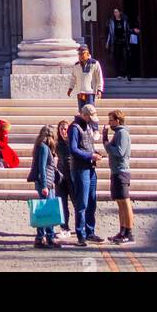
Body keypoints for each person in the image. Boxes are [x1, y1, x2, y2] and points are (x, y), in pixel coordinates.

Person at [67, 102, 104, 246]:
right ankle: (80, 234)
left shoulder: (88, 125)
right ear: (85, 115)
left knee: (92, 201)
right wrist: (90, 155)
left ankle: (90, 231)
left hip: (91, 168)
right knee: (82, 202)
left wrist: (96, 153)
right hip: (80, 168)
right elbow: (74, 149)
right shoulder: (74, 128)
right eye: (91, 117)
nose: (92, 121)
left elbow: (89, 144)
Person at [26, 125, 63, 248]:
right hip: (45, 183)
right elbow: (42, 167)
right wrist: (44, 186)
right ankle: (45, 237)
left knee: (46, 210)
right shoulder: (44, 147)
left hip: (47, 182)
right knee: (46, 211)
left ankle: (44, 237)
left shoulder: (42, 147)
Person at [102, 110, 134, 244]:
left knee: (125, 202)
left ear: (118, 120)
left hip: (122, 171)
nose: (109, 123)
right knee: (120, 202)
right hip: (116, 171)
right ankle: (122, 231)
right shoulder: (118, 133)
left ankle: (129, 233)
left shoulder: (122, 133)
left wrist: (106, 143)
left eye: (111, 120)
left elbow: (119, 152)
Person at [67, 45, 104, 111]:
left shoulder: (95, 63)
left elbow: (99, 77)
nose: (81, 55)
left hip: (90, 92)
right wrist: (70, 88)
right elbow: (73, 78)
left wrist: (99, 89)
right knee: (81, 111)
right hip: (80, 92)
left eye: (82, 53)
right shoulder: (76, 65)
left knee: (90, 110)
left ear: (87, 53)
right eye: (79, 54)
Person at [54, 119, 73, 235]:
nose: (63, 131)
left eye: (65, 129)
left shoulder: (73, 141)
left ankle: (81, 227)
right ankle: (64, 227)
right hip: (61, 176)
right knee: (62, 203)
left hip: (72, 175)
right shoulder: (56, 143)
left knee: (76, 202)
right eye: (61, 129)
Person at [105, 8, 131, 80]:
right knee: (117, 58)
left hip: (124, 42)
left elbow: (128, 30)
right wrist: (107, 42)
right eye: (114, 12)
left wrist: (133, 31)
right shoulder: (112, 21)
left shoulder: (124, 21)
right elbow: (110, 33)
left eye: (116, 12)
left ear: (120, 13)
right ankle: (119, 74)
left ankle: (126, 74)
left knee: (125, 57)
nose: (115, 13)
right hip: (116, 42)